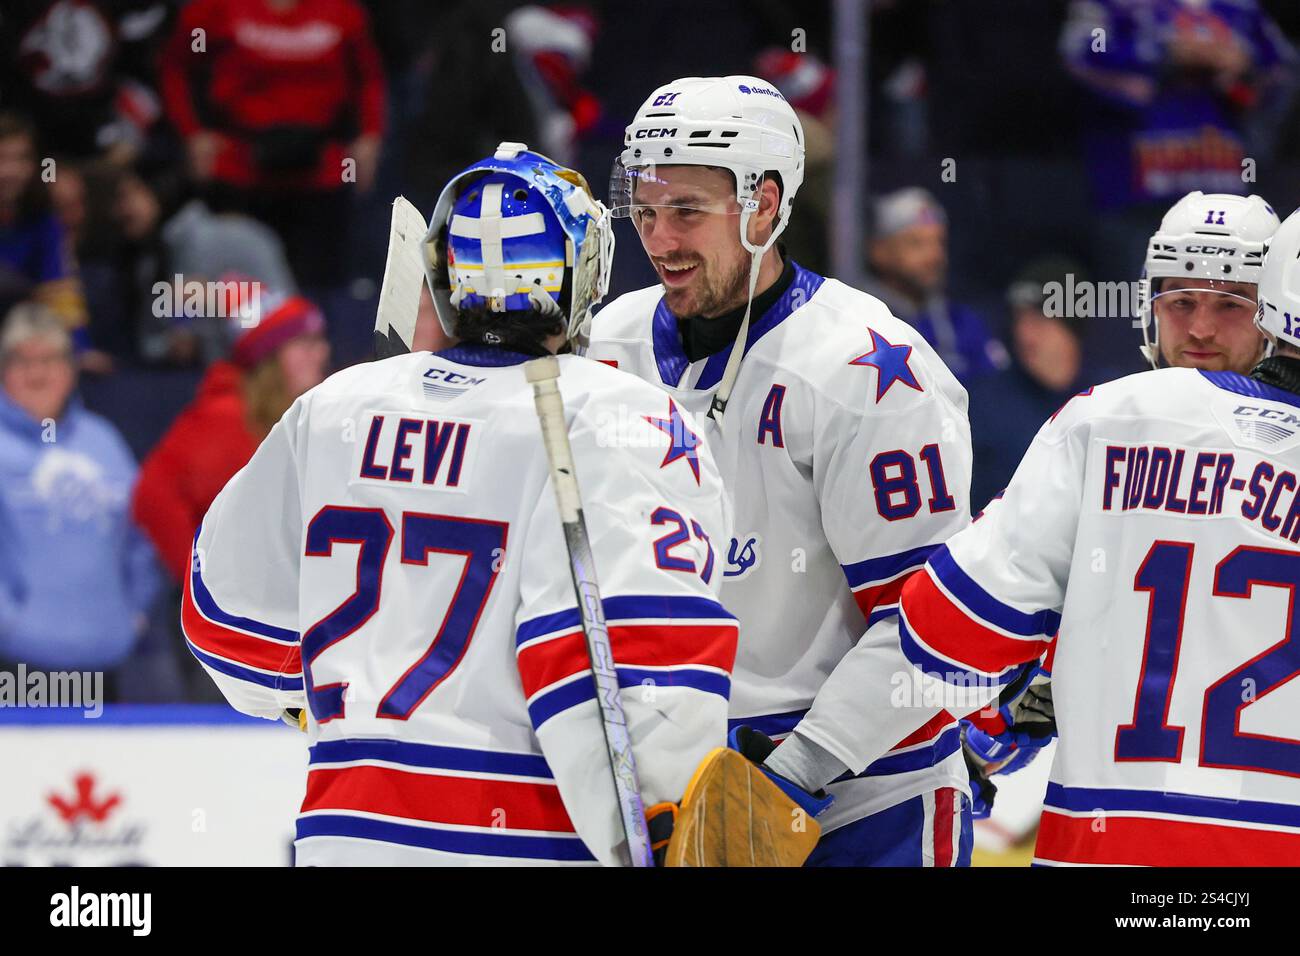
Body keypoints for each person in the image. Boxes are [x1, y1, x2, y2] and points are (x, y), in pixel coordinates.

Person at [182, 143, 737, 866]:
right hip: (527, 841)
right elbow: (628, 667)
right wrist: (670, 828)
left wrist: (338, 707)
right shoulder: (618, 416)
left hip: (344, 835)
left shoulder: (334, 408)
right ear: (582, 273)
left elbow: (224, 621)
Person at [588, 76, 976, 866]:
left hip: (865, 805)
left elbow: (937, 629)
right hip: (674, 796)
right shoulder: (606, 347)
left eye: (688, 211)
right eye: (646, 209)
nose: (660, 240)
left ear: (764, 206)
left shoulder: (868, 371)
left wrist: (794, 775)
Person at [896, 204, 1300, 866]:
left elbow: (939, 624)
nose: (1198, 328)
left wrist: (1017, 701)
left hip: (1105, 839)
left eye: (1230, 304)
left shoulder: (1109, 419)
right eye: (1180, 299)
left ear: (1273, 311)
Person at [0, 302, 160, 690]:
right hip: (15, 667)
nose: (36, 373)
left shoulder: (102, 439)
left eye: (50, 359)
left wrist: (134, 612)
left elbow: (144, 531)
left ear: (71, 368)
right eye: (21, 361)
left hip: (105, 660)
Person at [132, 289, 328, 582]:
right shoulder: (227, 417)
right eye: (304, 342)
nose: (320, 352)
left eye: (320, 340)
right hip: (231, 615)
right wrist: (202, 581)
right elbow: (152, 495)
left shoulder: (301, 415)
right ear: (269, 358)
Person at [862, 187, 1008, 385]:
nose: (935, 256)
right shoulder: (858, 319)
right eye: (916, 243)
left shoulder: (962, 321)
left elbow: (999, 393)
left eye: (939, 242)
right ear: (879, 251)